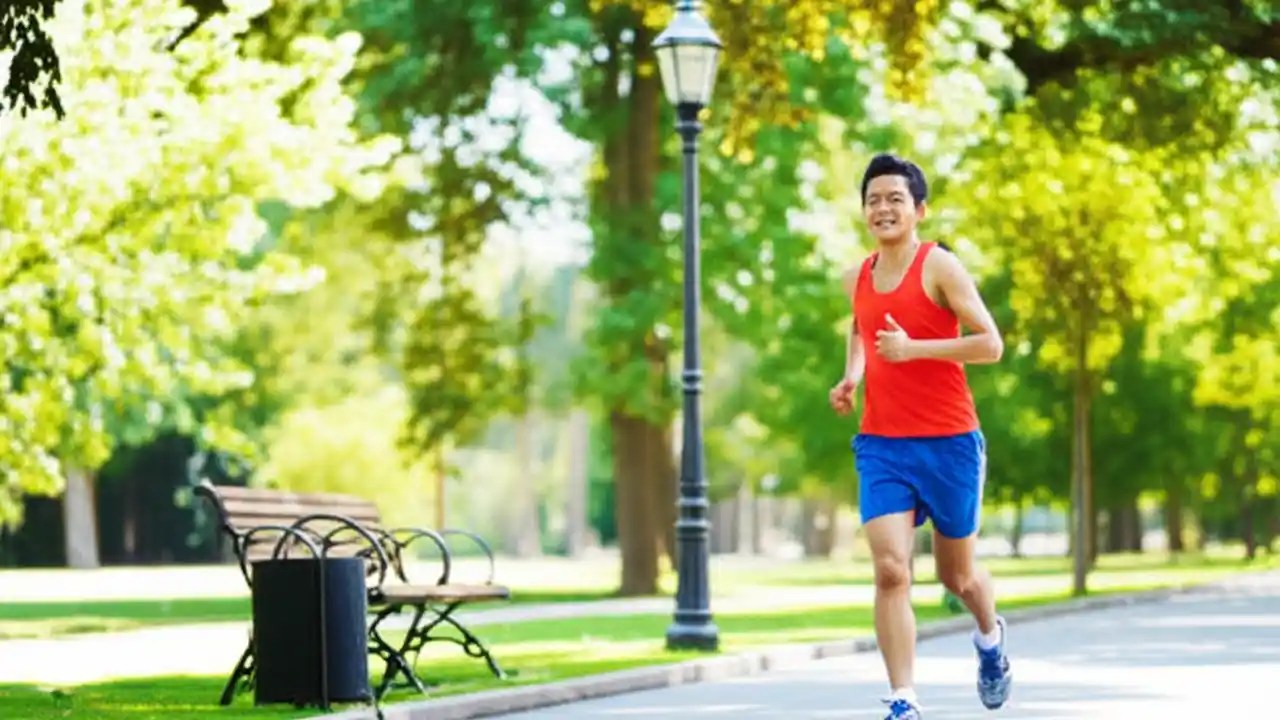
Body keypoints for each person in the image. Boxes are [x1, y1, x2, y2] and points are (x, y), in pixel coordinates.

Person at [828, 153, 1012, 719]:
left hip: (950, 441)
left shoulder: (940, 268)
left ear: (919, 210)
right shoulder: (857, 274)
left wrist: (916, 349)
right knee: (891, 570)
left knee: (956, 576)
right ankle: (904, 698)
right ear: (864, 211)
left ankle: (989, 639)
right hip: (883, 443)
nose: (882, 208)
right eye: (873, 199)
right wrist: (852, 376)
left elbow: (990, 344)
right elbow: (862, 327)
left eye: (895, 199)